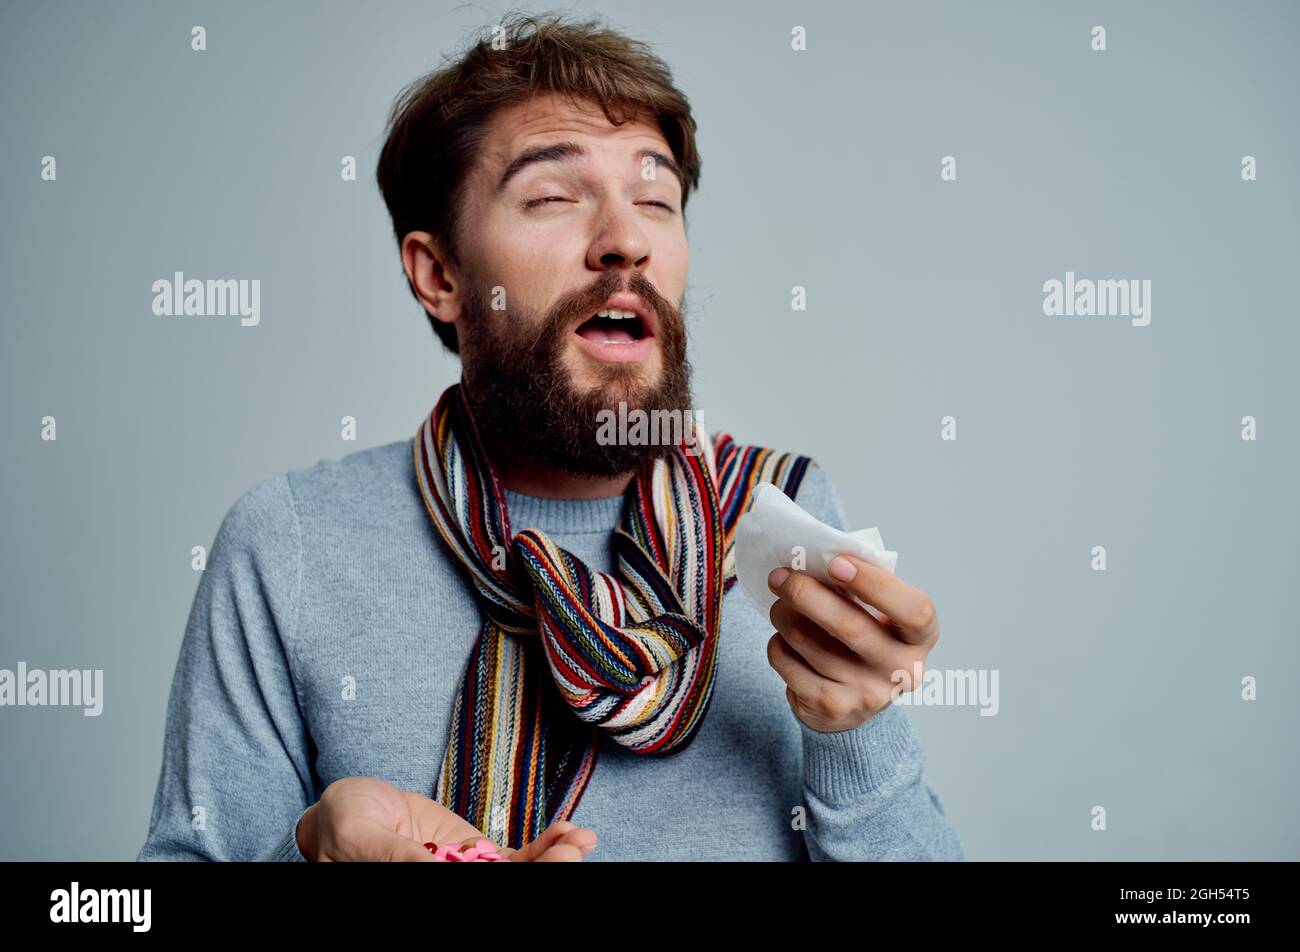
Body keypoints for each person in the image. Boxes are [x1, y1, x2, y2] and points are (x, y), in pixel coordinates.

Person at [137, 11, 963, 862]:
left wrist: (859, 735)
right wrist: (314, 855)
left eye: (656, 201)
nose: (626, 242)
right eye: (553, 198)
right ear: (440, 275)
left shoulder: (780, 519)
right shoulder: (292, 545)